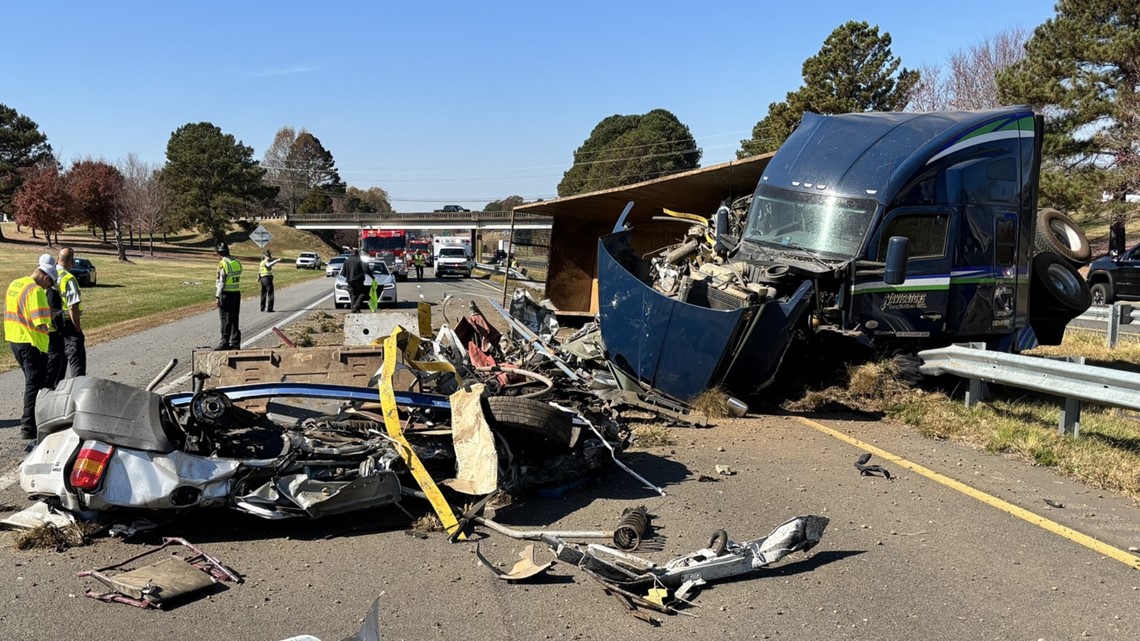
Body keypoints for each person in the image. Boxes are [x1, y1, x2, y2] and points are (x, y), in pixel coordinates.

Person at [5, 260, 57, 439]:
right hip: (31, 343)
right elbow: (41, 323)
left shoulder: (16, 283)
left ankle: (31, 423)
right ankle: (29, 427)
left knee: (31, 382)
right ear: (44, 277)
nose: (48, 287)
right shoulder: (36, 291)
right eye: (49, 282)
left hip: (14, 338)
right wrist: (52, 317)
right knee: (34, 385)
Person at [55, 247, 86, 379]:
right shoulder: (69, 279)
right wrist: (77, 329)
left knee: (58, 363)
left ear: (58, 259)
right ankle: (76, 390)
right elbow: (72, 306)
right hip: (68, 324)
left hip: (54, 325)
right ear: (71, 262)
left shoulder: (51, 276)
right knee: (76, 361)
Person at [37, 254, 66, 389]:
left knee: (48, 365)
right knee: (54, 367)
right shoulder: (52, 291)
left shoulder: (39, 289)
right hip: (53, 334)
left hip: (44, 335)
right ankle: (52, 391)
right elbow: (52, 312)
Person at [215, 243, 243, 349]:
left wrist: (218, 296)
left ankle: (224, 343)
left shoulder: (223, 264)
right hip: (236, 293)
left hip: (226, 294)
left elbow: (221, 281)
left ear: (219, 252)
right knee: (234, 319)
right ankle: (236, 343)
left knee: (225, 319)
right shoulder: (236, 262)